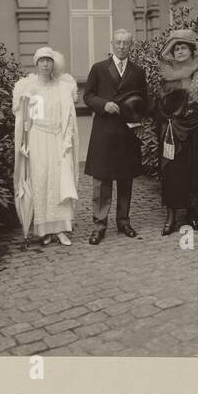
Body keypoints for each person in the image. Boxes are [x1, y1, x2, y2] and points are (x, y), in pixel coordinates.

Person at [83, 29, 149, 243]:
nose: (122, 46)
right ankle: (99, 225)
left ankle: (124, 221)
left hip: (127, 132)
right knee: (101, 179)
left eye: (126, 43)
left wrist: (137, 118)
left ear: (131, 46)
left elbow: (143, 101)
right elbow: (88, 96)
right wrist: (104, 104)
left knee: (125, 177)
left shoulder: (138, 72)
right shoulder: (99, 68)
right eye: (118, 42)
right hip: (104, 130)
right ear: (112, 43)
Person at [12, 47, 80, 246]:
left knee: (60, 182)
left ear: (54, 64)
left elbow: (68, 117)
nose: (45, 64)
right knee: (41, 181)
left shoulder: (62, 87)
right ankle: (44, 231)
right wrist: (25, 143)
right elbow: (27, 120)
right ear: (36, 64)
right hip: (38, 138)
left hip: (58, 139)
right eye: (41, 61)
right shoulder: (31, 89)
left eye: (49, 61)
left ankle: (60, 229)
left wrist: (67, 139)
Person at [153, 29, 198, 235]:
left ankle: (192, 214)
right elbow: (159, 102)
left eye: (184, 47)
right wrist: (164, 122)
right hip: (172, 129)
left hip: (196, 127)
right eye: (177, 48)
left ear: (192, 50)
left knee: (194, 172)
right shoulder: (168, 73)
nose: (180, 51)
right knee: (171, 172)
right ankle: (171, 217)